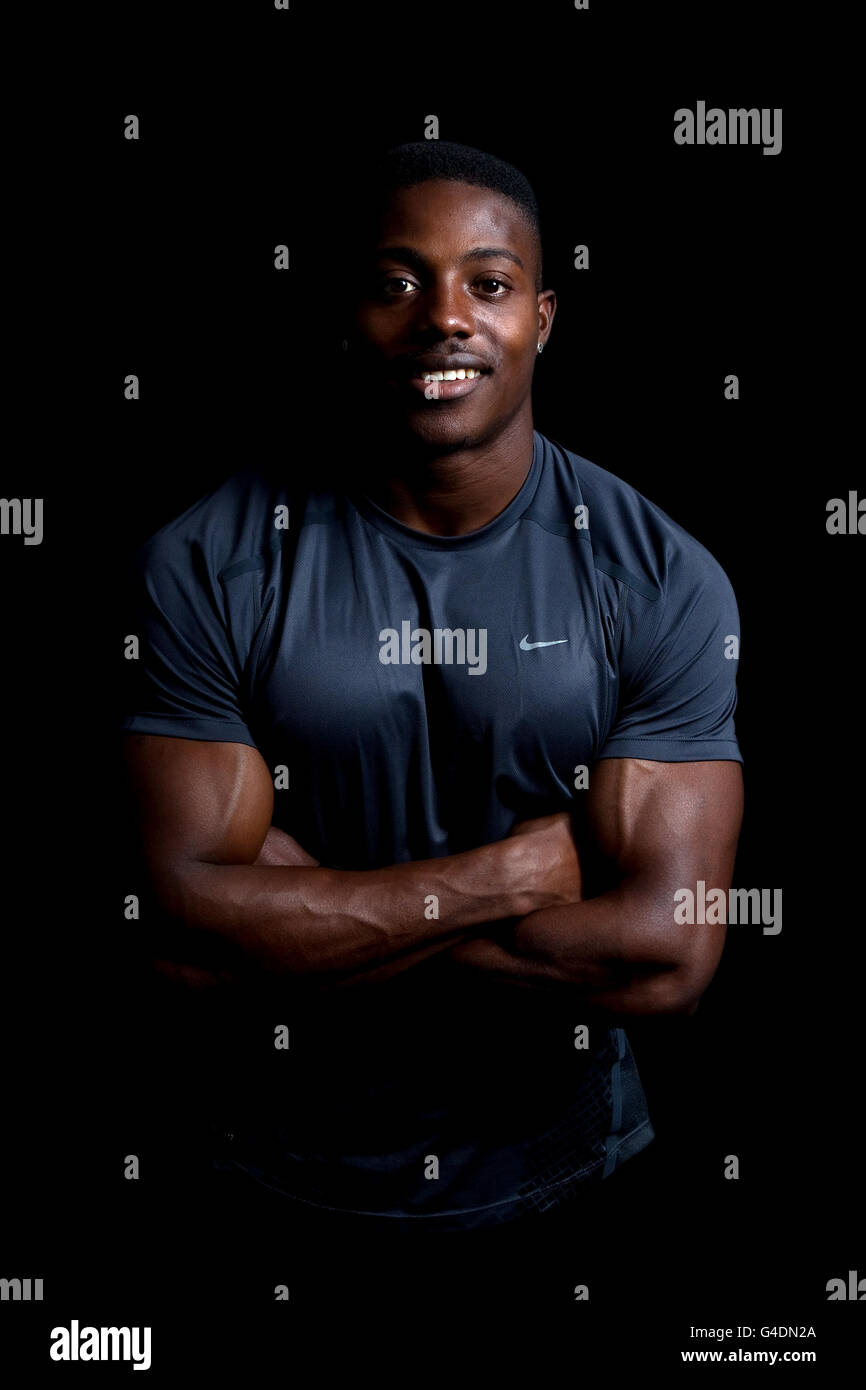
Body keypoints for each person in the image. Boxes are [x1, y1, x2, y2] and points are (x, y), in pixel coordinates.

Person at [121, 142, 744, 1286]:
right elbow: (176, 940)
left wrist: (302, 926)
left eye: (488, 283)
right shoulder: (205, 564)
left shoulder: (660, 577)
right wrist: (515, 879)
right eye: (398, 281)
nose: (443, 318)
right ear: (346, 313)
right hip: (266, 1183)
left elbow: (665, 963)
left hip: (570, 1182)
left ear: (542, 317)